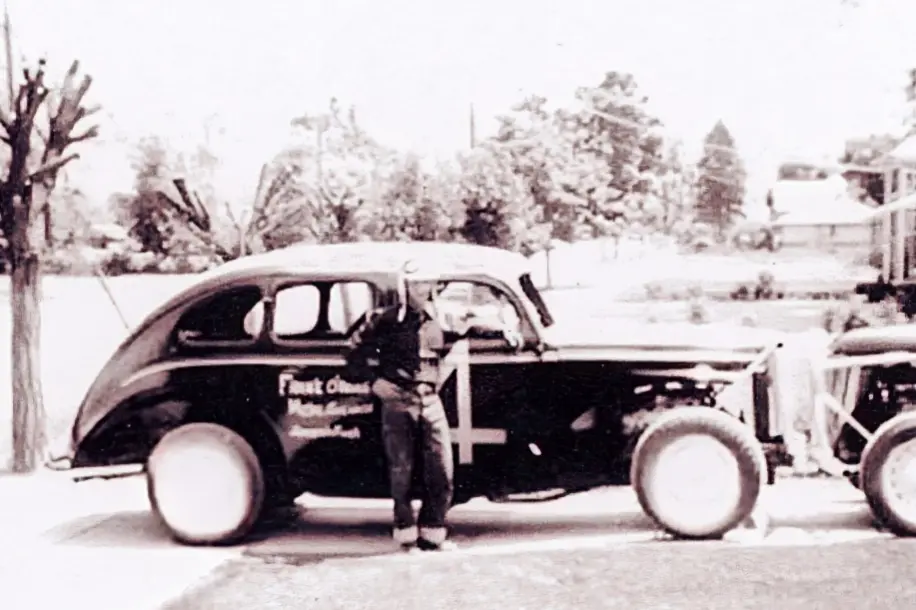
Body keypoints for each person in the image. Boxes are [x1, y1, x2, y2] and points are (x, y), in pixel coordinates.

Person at [346, 264, 521, 552]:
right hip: (398, 400)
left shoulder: (441, 318)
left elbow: (472, 327)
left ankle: (433, 533)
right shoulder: (385, 320)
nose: (422, 289)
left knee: (441, 469)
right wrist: (374, 381)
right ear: (405, 287)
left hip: (430, 400)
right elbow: (353, 350)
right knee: (401, 471)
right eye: (416, 284)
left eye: (427, 283)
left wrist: (506, 332)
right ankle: (405, 534)